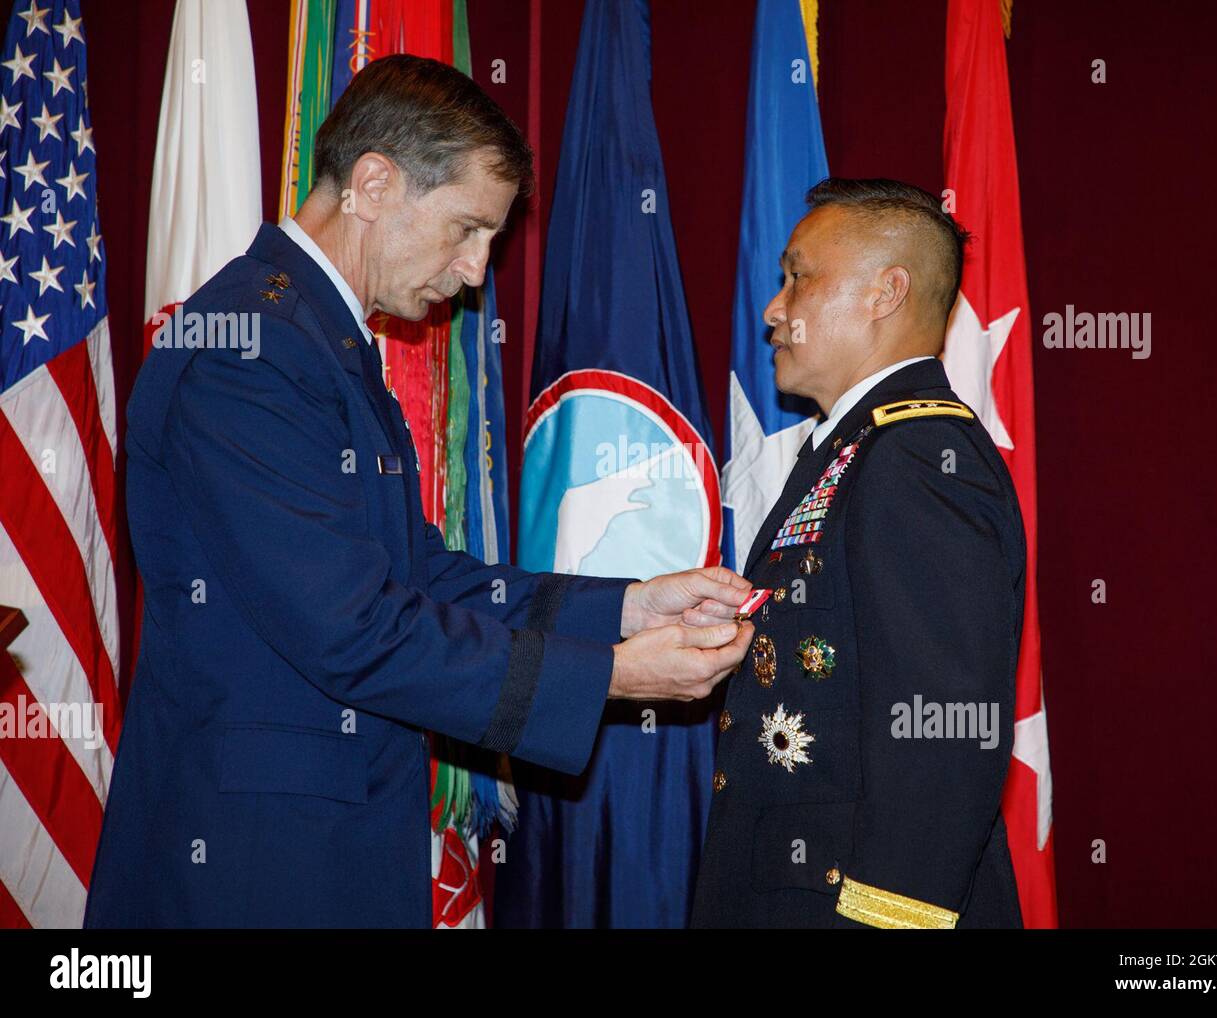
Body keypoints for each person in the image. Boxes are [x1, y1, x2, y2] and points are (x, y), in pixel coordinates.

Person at [84, 55, 753, 929]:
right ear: (373, 183)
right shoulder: (249, 349)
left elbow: (420, 580)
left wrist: (628, 607)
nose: (478, 272)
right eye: (468, 230)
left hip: (322, 843)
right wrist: (615, 677)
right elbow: (355, 629)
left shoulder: (319, 340)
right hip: (253, 864)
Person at [691, 178, 1026, 929]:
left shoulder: (915, 457)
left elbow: (946, 722)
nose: (774, 310)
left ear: (885, 292)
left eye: (799, 277)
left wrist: (893, 917)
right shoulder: (859, 449)